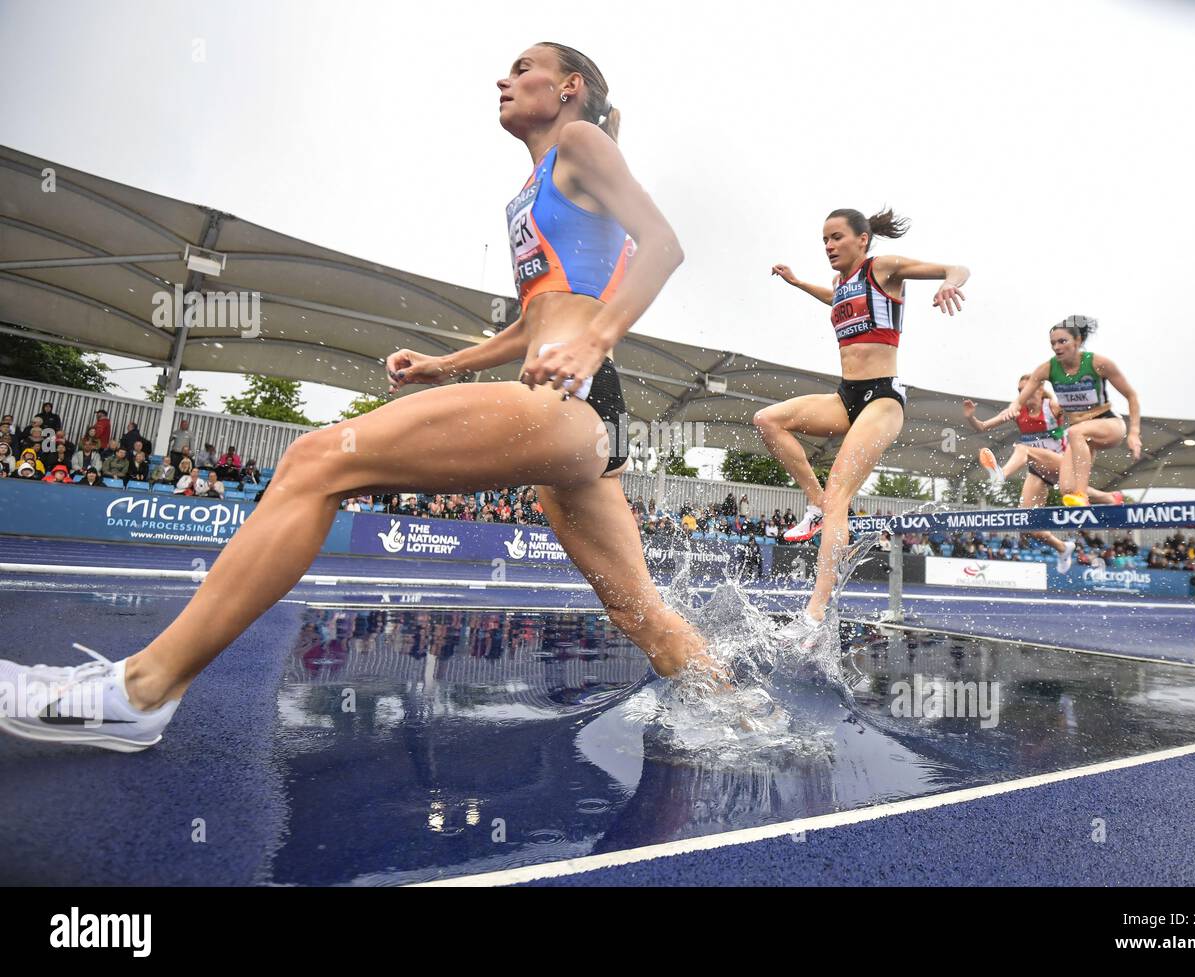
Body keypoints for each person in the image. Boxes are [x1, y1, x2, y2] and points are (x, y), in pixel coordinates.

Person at [0, 42, 726, 753]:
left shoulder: (581, 142)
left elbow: (663, 243)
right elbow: (538, 325)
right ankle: (746, 718)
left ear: (568, 87)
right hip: (579, 414)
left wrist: (595, 339)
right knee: (642, 614)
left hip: (578, 400)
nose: (501, 79)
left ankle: (140, 692)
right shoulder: (530, 190)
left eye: (522, 68)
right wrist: (450, 364)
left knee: (318, 459)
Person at [757, 208, 968, 639]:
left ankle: (815, 612)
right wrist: (798, 284)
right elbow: (835, 298)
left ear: (863, 240)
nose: (829, 246)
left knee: (841, 491)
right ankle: (815, 504)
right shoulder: (839, 284)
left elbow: (957, 267)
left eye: (836, 238)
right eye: (824, 241)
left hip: (883, 397)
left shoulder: (883, 269)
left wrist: (949, 282)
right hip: (846, 396)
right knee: (767, 420)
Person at [963, 374, 1120, 570]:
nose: (1022, 394)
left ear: (1038, 388)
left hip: (1063, 464)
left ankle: (1001, 474)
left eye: (1025, 389)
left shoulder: (1053, 407)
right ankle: (1064, 546)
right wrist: (971, 418)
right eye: (1019, 391)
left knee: (1023, 449)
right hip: (1039, 471)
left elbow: (1082, 410)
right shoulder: (1017, 410)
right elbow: (983, 427)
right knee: (1028, 525)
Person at [1010, 316, 1141, 507]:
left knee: (1074, 432)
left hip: (1109, 424)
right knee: (1066, 489)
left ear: (1078, 341)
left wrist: (1134, 432)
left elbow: (1131, 395)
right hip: (1080, 436)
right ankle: (1111, 499)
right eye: (1053, 343)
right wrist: (1013, 408)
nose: (1056, 347)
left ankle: (1082, 495)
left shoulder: (1098, 363)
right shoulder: (1047, 368)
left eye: (1062, 341)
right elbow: (1019, 401)